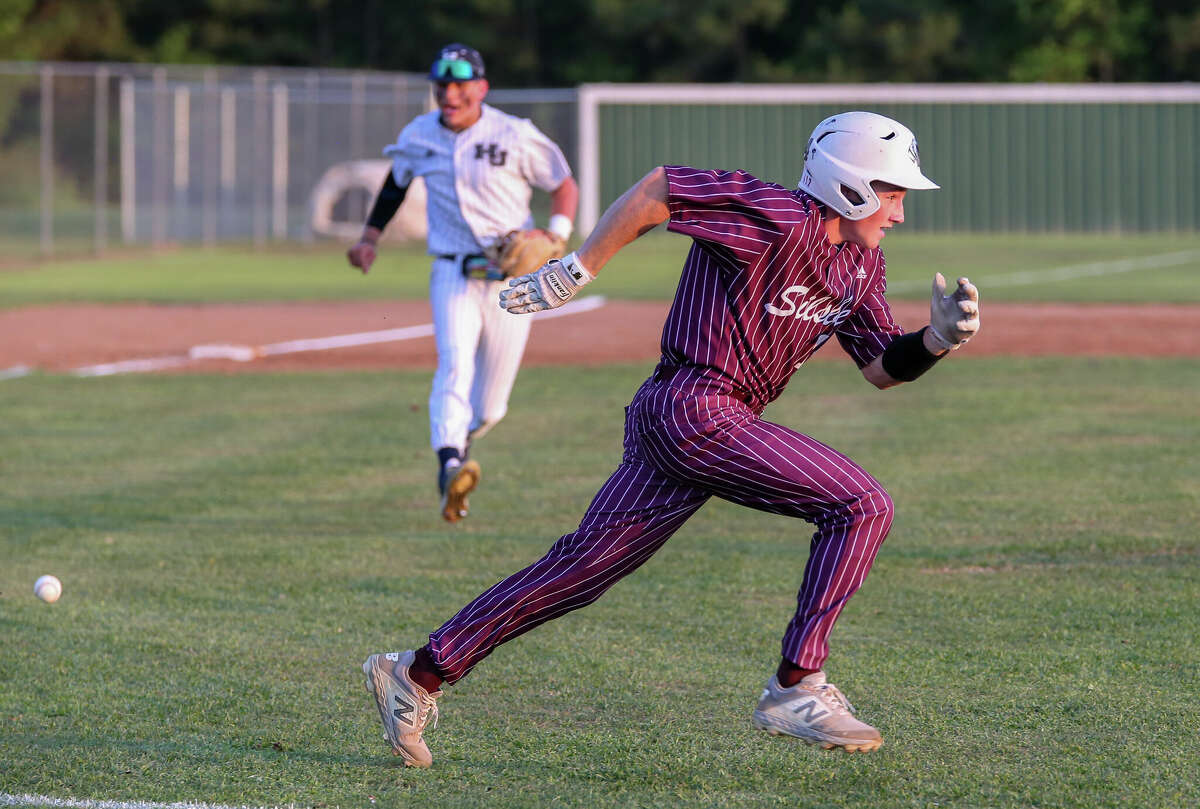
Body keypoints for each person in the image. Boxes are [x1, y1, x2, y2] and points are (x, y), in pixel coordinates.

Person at [362, 111, 981, 766]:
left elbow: (882, 365)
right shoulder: (775, 214)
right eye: (893, 191)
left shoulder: (860, 263)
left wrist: (935, 341)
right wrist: (577, 268)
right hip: (694, 406)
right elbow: (660, 189)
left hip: (696, 420)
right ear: (851, 181)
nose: (900, 211)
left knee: (580, 572)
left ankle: (418, 672)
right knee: (862, 504)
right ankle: (796, 684)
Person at [346, 43, 579, 523]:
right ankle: (449, 462)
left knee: (492, 406)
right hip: (452, 270)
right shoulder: (419, 134)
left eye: (459, 85)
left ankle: (465, 436)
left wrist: (555, 233)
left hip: (512, 280)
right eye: (442, 85)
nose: (449, 94)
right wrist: (369, 237)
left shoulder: (513, 134)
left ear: (481, 88)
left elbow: (562, 182)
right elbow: (396, 183)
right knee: (454, 365)